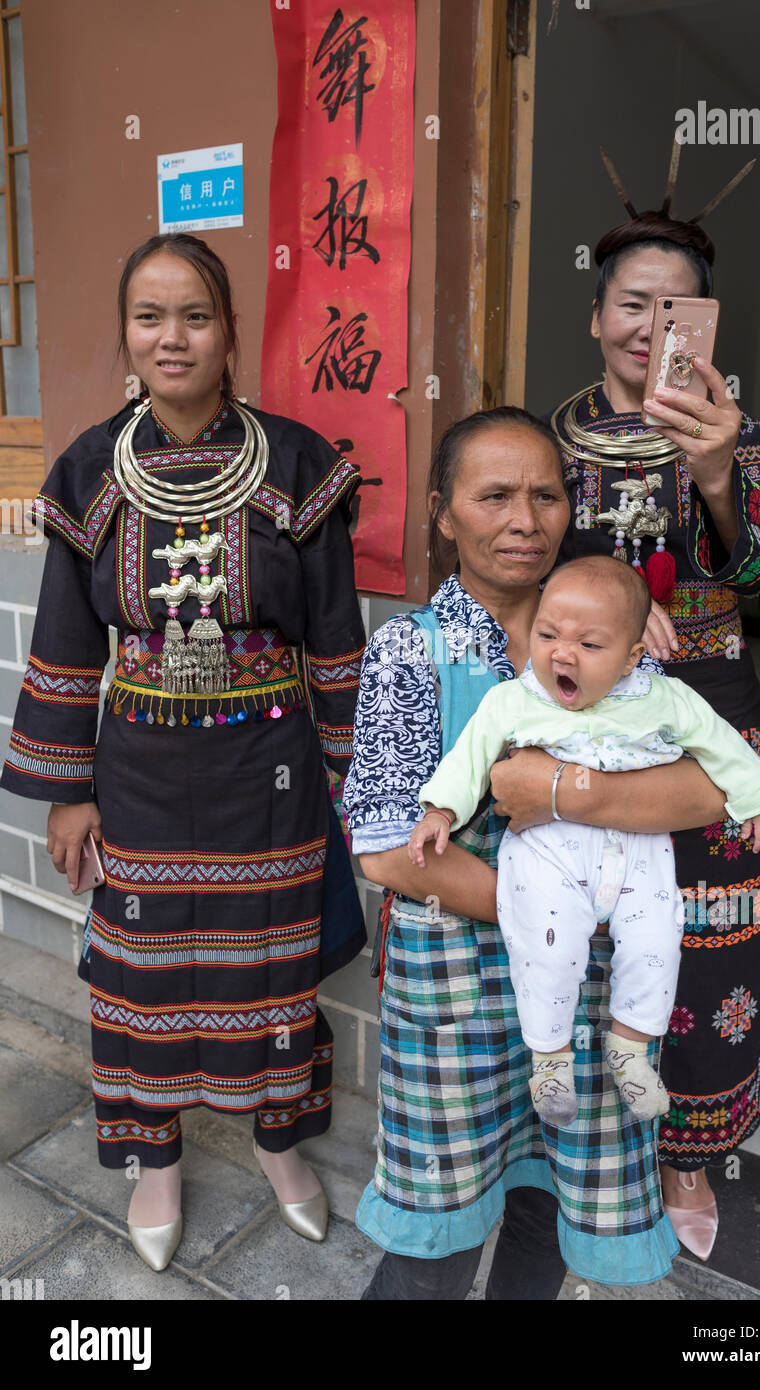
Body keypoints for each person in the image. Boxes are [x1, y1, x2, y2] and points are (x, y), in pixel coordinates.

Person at [0, 233, 367, 1271]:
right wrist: (66, 792)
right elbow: (66, 642)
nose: (173, 337)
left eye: (195, 316)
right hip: (140, 772)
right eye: (150, 316)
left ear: (230, 332)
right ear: (126, 333)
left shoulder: (300, 466)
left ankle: (278, 1142)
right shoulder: (86, 471)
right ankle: (153, 1157)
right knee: (141, 973)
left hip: (275, 773)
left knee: (272, 968)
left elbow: (337, 637)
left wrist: (355, 777)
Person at [344, 407, 738, 1300]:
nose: (524, 518)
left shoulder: (621, 642)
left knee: (547, 1215)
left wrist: (562, 795)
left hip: (595, 1001)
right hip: (460, 993)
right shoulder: (415, 648)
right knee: (432, 1244)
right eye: (493, 497)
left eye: (545, 495)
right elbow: (388, 852)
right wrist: (562, 915)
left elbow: (706, 790)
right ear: (444, 514)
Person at [514, 206, 760, 1257]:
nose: (650, 324)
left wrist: (723, 472)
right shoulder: (549, 441)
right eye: (630, 302)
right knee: (578, 923)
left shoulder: (740, 429)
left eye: (672, 305)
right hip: (579, 715)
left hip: (710, 712)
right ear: (596, 315)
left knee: (708, 941)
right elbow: (507, 565)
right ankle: (581, 1143)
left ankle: (688, 1155)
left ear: (705, 323)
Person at [409, 555, 760, 1133]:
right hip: (548, 853)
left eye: (589, 644)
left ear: (633, 655)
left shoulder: (663, 697)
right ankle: (551, 1062)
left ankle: (631, 1050)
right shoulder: (514, 699)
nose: (562, 653)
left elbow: (720, 743)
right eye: (548, 634)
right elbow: (471, 756)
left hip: (640, 852)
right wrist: (440, 809)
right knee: (549, 949)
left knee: (658, 940)